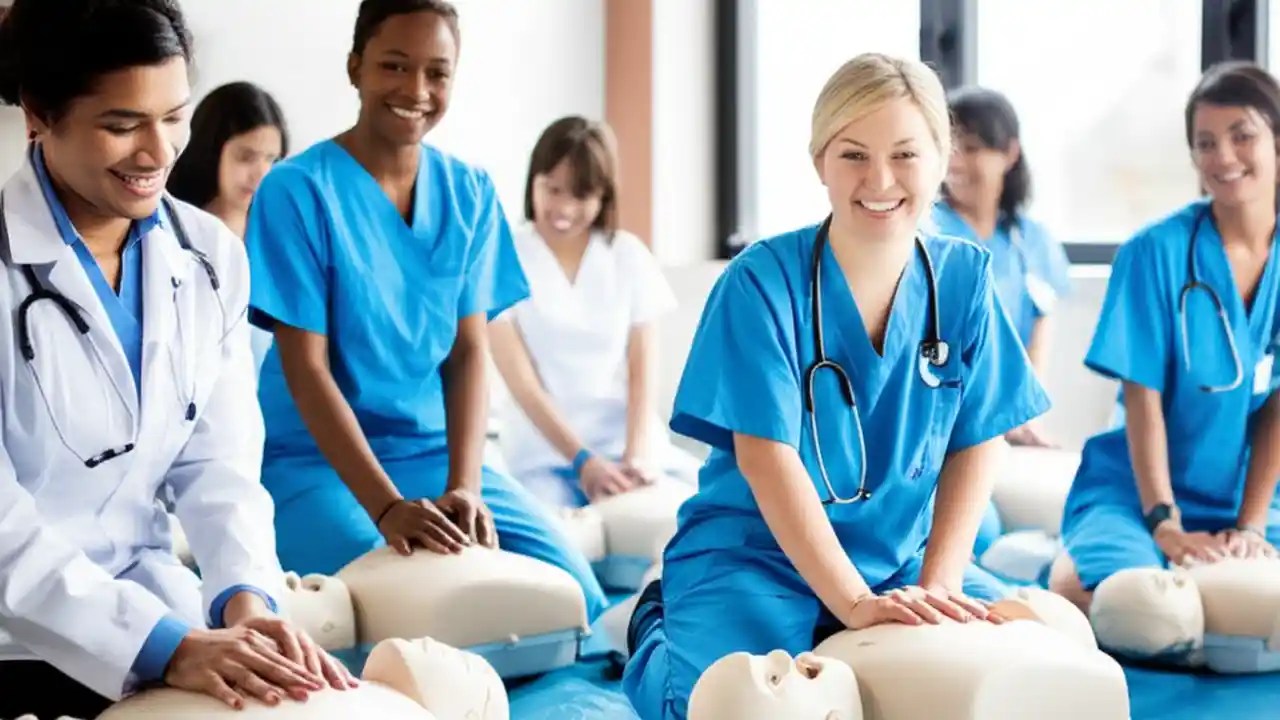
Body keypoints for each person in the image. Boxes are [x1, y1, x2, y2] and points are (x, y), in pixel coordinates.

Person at [622, 53, 1050, 720]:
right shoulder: (761, 283)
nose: (880, 180)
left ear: (941, 160)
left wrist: (938, 586)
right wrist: (852, 604)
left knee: (1034, 666)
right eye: (854, 155)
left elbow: (979, 435)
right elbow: (767, 457)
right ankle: (657, 620)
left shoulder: (964, 279)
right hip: (756, 556)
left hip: (895, 559)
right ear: (819, 161)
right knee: (730, 706)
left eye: (905, 154)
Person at [0, 1, 354, 718]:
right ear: (39, 115)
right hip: (19, 640)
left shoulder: (209, 255)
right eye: (121, 124)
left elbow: (219, 463)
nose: (158, 152)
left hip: (160, 608)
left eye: (174, 116)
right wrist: (170, 647)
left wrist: (248, 603)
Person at [244, 0, 608, 622]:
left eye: (437, 73)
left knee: (573, 595)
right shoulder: (297, 190)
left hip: (433, 454)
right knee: (406, 599)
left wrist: (464, 486)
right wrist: (386, 508)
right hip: (317, 463)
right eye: (394, 65)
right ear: (356, 68)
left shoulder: (470, 193)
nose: (416, 90)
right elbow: (307, 369)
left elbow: (468, 354)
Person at [1049, 61, 1280, 613]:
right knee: (1125, 603)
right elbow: (1142, 401)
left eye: (1242, 136)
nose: (1223, 157)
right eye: (1205, 143)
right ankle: (1068, 565)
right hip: (1137, 492)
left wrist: (1250, 526)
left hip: (1252, 493)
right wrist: (1164, 523)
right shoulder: (1153, 252)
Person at [490, 115, 699, 509]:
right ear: (533, 181)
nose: (564, 208)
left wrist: (635, 456)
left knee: (688, 515)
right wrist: (583, 460)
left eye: (581, 195)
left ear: (603, 196)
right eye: (553, 189)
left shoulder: (626, 254)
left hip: (627, 447)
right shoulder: (504, 257)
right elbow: (522, 384)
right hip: (541, 455)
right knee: (554, 528)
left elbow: (642, 371)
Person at [931, 86, 1071, 448]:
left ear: (1009, 153)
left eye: (971, 148)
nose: (955, 163)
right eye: (949, 149)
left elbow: (1040, 325)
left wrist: (1023, 414)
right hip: (941, 415)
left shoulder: (1031, 241)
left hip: (1007, 421)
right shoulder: (928, 232)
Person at [167, 81, 288, 239]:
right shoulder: (169, 229)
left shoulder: (285, 234)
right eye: (246, 157)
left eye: (272, 160)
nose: (261, 175)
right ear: (211, 153)